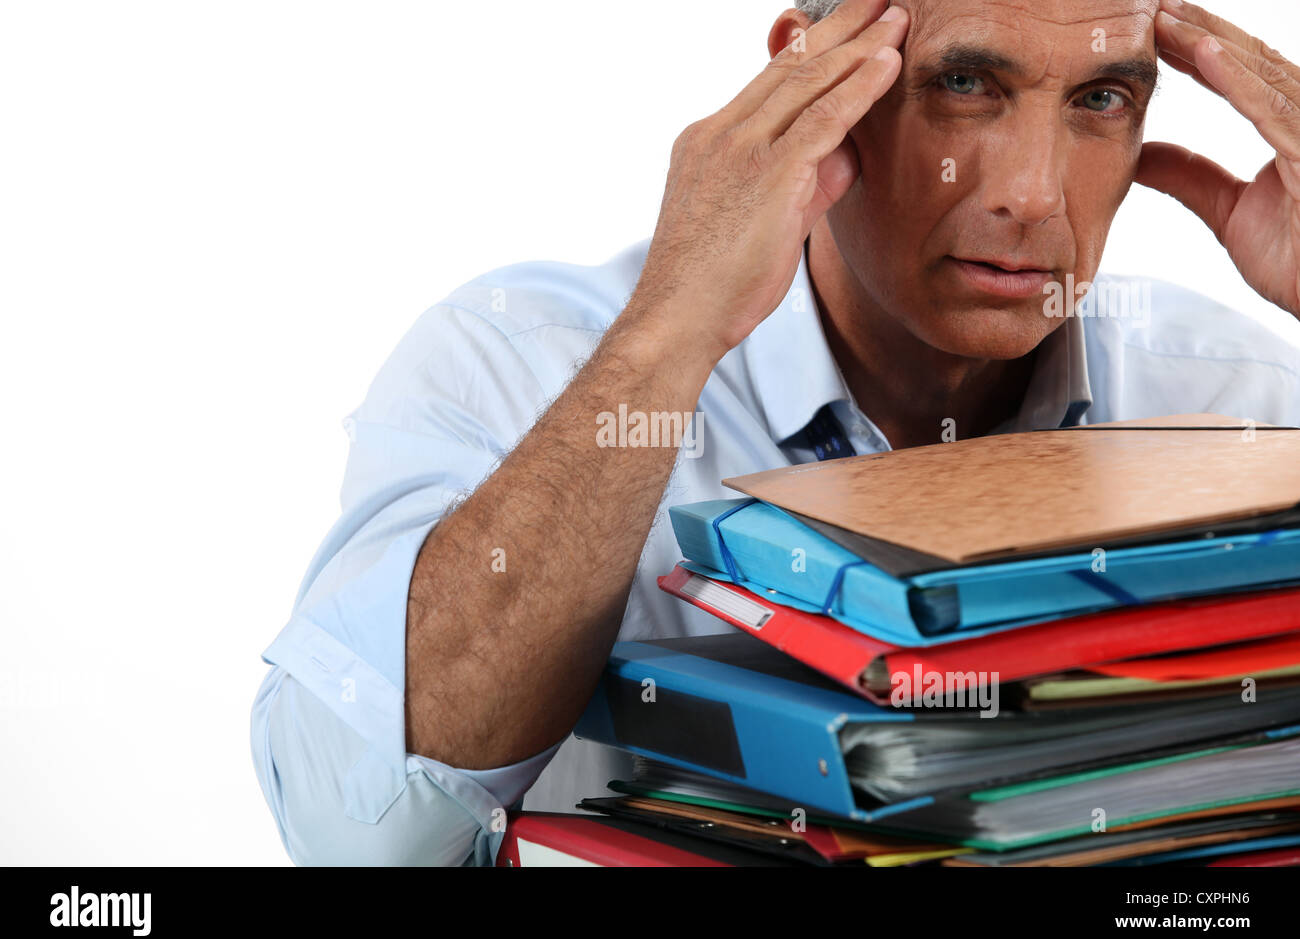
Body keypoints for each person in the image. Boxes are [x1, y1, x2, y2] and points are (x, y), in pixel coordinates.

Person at [250, 0, 1300, 865]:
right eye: (964, 84)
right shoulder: (520, 364)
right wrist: (670, 330)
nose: (1030, 194)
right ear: (813, 83)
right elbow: (360, 836)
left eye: (1100, 98)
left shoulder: (1245, 395)